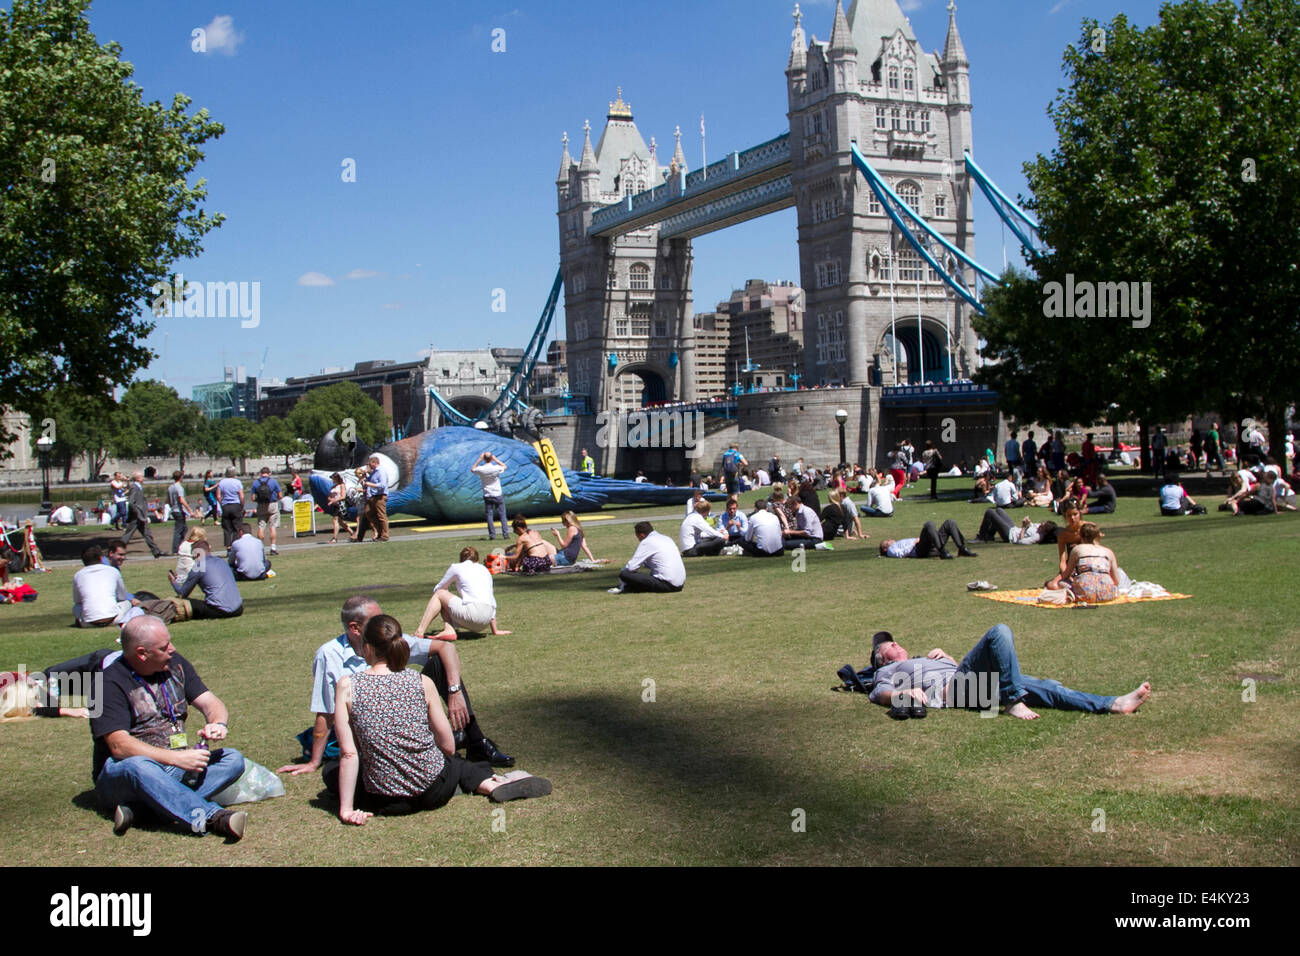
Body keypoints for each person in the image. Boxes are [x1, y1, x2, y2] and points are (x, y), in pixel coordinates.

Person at [329, 614, 549, 824]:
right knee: (455, 764)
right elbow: (448, 746)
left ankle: (474, 781)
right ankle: (489, 784)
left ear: (367, 647)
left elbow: (349, 753)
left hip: (384, 801)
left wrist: (346, 809)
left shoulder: (347, 686)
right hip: (433, 791)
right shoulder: (421, 682)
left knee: (331, 771)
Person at [276, 595, 513, 776]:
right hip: (369, 737)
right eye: (374, 620)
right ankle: (459, 758)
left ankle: (475, 740)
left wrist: (454, 691)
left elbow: (446, 647)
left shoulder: (389, 641)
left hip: (403, 727)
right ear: (355, 628)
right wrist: (314, 761)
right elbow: (325, 712)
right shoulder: (329, 655)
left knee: (439, 664)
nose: (383, 624)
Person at [89, 615, 248, 839]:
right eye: (164, 648)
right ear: (142, 653)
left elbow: (210, 702)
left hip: (173, 766)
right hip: (122, 773)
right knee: (140, 766)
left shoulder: (174, 664)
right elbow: (119, 746)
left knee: (232, 759)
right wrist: (175, 759)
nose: (172, 649)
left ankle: (142, 811)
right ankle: (214, 818)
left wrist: (217, 723)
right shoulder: (106, 684)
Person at [867, 625, 1151, 720]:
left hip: (972, 684)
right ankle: (1013, 700)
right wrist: (902, 694)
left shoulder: (923, 658)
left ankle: (1113, 704)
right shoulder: (889, 670)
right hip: (955, 691)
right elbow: (878, 693)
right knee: (999, 632)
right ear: (882, 659)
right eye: (889, 645)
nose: (896, 643)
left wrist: (949, 658)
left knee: (1048, 688)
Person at [415, 547, 511, 638]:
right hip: (486, 620)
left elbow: (438, 589)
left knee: (440, 593)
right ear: (477, 560)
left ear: (461, 559)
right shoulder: (485, 570)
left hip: (473, 615)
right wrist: (495, 630)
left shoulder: (456, 567)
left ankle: (419, 632)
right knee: (446, 599)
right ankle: (448, 629)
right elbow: (491, 599)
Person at [168, 540, 243, 619]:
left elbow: (182, 594)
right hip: (238, 609)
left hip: (219, 610)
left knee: (183, 604)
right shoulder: (221, 561)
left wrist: (173, 582)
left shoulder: (199, 566)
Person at [73, 545, 140, 627]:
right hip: (114, 619)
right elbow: (122, 597)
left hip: (89, 622)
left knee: (76, 607)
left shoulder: (78, 575)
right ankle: (125, 621)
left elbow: (77, 601)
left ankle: (83, 621)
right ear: (101, 558)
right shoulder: (113, 571)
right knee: (126, 602)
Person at [610, 521, 685, 593]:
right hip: (680, 583)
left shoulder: (647, 542)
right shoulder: (666, 538)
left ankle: (627, 587)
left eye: (638, 537)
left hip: (667, 584)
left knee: (624, 574)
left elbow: (631, 567)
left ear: (642, 535)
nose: (639, 540)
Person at [1062, 522, 1119, 603]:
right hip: (1108, 594)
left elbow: (1066, 575)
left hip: (1084, 595)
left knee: (1061, 582)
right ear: (1098, 536)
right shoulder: (1108, 552)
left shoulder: (1077, 549)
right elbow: (1116, 581)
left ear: (1080, 536)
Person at [118, 471, 164, 558]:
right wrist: (137, 513)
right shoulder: (134, 487)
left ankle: (156, 551)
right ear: (138, 478)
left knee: (147, 534)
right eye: (142, 477)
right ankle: (116, 551)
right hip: (136, 517)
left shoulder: (138, 487)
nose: (143, 478)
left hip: (141, 516)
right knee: (127, 536)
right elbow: (131, 503)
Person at [879, 520, 978, 559]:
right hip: (919, 550)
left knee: (949, 523)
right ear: (885, 549)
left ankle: (962, 548)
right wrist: (914, 542)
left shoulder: (898, 543)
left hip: (929, 543)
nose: (890, 539)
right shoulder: (891, 550)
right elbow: (900, 554)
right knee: (929, 524)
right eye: (887, 541)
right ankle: (943, 551)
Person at [1043, 503, 1086, 588]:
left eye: (1075, 514)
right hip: (1071, 567)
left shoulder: (1088, 528)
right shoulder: (1063, 534)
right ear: (1064, 516)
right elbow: (1062, 561)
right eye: (1069, 515)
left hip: (1087, 565)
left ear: (1080, 513)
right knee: (1053, 586)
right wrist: (1067, 575)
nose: (1072, 518)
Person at [471, 451, 509, 541]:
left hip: (487, 494)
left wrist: (479, 460)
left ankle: (492, 535)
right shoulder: (495, 468)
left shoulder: (481, 469)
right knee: (502, 515)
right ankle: (505, 534)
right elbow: (504, 466)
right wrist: (495, 459)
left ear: (484, 459)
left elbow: (472, 469)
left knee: (489, 515)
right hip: (497, 494)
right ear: (491, 458)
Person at [974, 509, 1057, 545]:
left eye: (1041, 527)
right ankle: (989, 536)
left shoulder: (1037, 537)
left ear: (1045, 531)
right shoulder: (1038, 527)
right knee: (999, 510)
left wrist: (1024, 527)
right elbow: (1032, 526)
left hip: (1010, 535)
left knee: (990, 512)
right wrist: (1028, 522)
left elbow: (1021, 541)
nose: (1039, 526)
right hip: (1014, 528)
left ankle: (982, 536)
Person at [249, 467, 282, 556]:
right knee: (272, 527)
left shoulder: (256, 483)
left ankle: (261, 549)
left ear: (260, 473)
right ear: (269, 473)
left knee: (261, 526)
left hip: (261, 506)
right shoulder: (273, 482)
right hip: (272, 504)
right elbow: (280, 495)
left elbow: (252, 498)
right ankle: (273, 548)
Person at [359, 455, 389, 542]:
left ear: (375, 463)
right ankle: (380, 532)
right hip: (372, 496)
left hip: (380, 496)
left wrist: (370, 484)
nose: (369, 466)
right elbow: (369, 481)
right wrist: (365, 476)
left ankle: (384, 535)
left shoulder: (381, 471)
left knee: (381, 516)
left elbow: (382, 485)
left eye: (370, 464)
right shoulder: (374, 472)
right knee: (369, 513)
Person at [165, 471, 195, 556]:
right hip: (178, 510)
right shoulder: (179, 488)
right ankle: (175, 549)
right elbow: (182, 500)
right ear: (181, 477)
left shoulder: (170, 487)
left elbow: (168, 500)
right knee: (178, 530)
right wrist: (190, 511)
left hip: (174, 510)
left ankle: (182, 547)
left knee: (184, 529)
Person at [216, 467, 245, 549]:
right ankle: (235, 545)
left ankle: (228, 546)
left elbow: (218, 496)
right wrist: (242, 505)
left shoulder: (221, 482)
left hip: (226, 505)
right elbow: (241, 496)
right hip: (236, 505)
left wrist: (222, 504)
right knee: (237, 527)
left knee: (227, 528)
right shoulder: (237, 482)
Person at [325, 472, 352, 543]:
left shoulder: (341, 485)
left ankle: (334, 538)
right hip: (335, 505)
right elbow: (329, 496)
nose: (332, 480)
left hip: (340, 505)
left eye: (333, 478)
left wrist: (334, 500)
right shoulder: (333, 487)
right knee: (341, 522)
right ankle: (352, 533)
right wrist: (330, 499)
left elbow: (343, 496)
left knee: (335, 519)